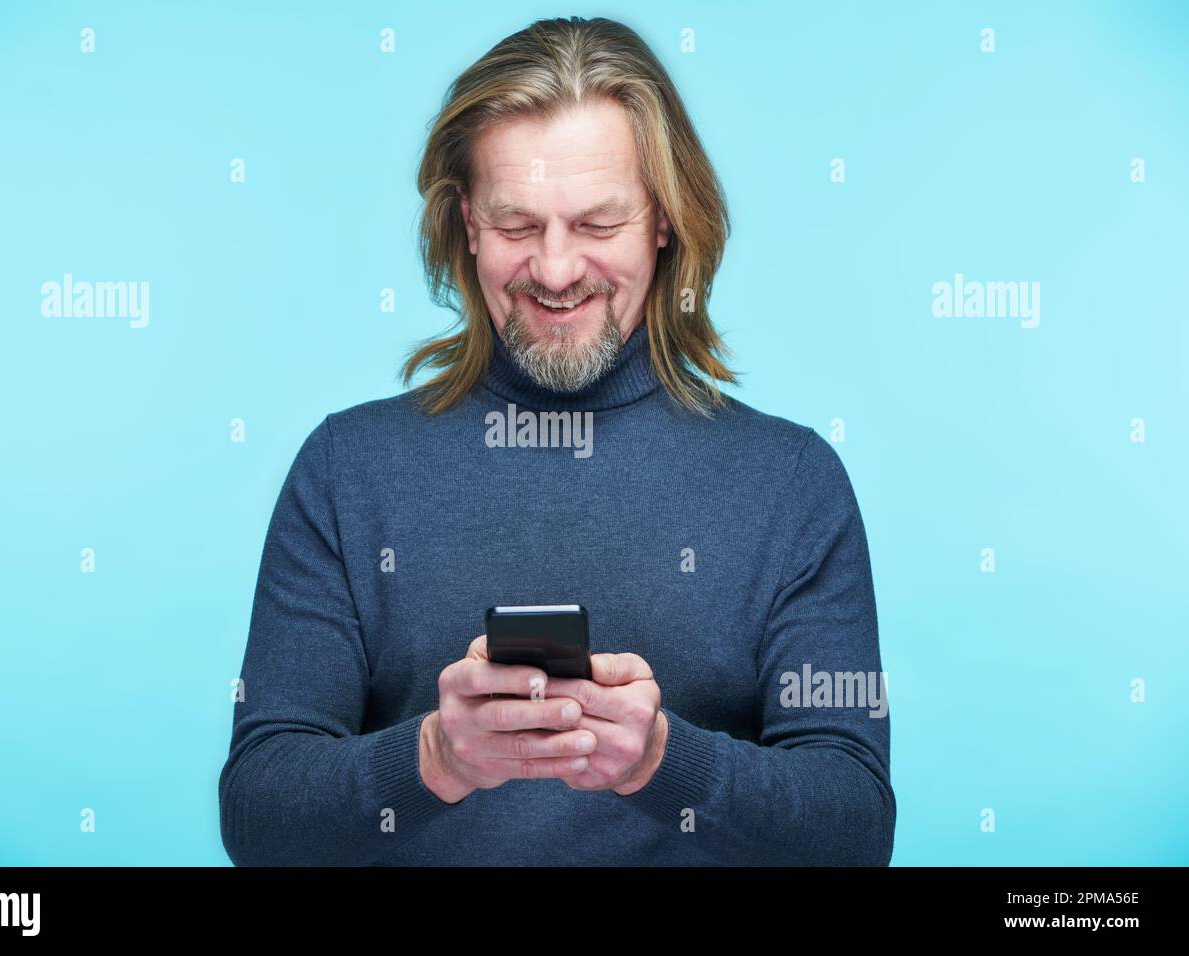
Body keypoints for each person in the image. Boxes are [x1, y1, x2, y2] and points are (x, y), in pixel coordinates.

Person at [218, 15, 894, 866]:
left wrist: (662, 762)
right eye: (516, 225)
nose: (557, 268)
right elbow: (255, 817)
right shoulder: (345, 472)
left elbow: (858, 831)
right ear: (466, 223)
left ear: (663, 220)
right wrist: (431, 759)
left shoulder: (793, 484)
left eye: (598, 224)